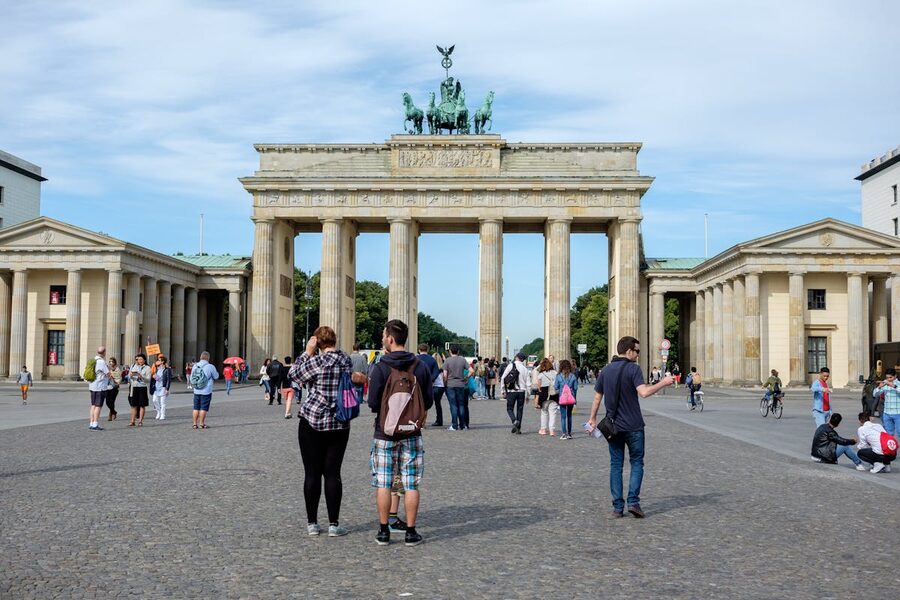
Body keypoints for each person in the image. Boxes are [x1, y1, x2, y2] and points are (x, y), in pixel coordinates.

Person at [587, 336, 674, 518]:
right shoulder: (633, 369)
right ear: (629, 351)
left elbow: (597, 398)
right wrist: (663, 383)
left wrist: (592, 419)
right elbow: (644, 393)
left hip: (613, 427)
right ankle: (633, 502)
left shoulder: (605, 371)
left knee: (616, 465)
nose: (638, 355)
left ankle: (618, 507)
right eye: (637, 351)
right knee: (636, 463)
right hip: (633, 426)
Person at [366, 319, 434, 547]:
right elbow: (429, 400)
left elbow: (373, 402)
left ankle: (384, 531)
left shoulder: (381, 366)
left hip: (385, 432)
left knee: (384, 482)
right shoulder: (420, 366)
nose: (383, 338)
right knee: (412, 484)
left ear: (390, 339)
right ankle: (411, 532)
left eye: (384, 335)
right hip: (412, 433)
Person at [288, 326, 354, 538]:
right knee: (333, 473)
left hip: (312, 421)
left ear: (317, 342)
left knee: (312, 473)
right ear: (335, 340)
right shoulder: (345, 360)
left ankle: (312, 524)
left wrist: (308, 351)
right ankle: (334, 524)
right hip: (339, 422)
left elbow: (294, 375)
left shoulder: (315, 362)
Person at [502, 352, 530, 434]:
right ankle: (518, 429)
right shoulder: (525, 369)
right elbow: (528, 383)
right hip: (521, 391)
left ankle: (514, 421)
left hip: (511, 391)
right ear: (523, 359)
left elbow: (503, 378)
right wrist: (528, 395)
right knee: (520, 410)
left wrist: (503, 390)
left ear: (516, 357)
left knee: (509, 408)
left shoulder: (510, 366)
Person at [190, 351, 219, 429]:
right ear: (208, 358)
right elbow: (216, 376)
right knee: (203, 408)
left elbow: (191, 377)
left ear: (200, 357)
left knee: (196, 407)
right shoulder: (210, 366)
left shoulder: (195, 366)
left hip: (196, 390)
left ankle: (194, 424)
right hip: (206, 390)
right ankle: (201, 423)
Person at [443, 344, 469, 431]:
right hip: (460, 384)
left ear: (450, 351)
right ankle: (463, 425)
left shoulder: (447, 361)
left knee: (453, 405)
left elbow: (445, 375)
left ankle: (454, 425)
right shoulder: (462, 360)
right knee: (461, 405)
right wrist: (466, 378)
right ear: (458, 351)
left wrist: (445, 383)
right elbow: (471, 371)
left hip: (450, 385)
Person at [416, 344, 442, 427]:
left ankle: (417, 420)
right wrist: (430, 380)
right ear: (427, 350)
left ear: (419, 350)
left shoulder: (415, 359)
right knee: (425, 404)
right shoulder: (432, 360)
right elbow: (436, 372)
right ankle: (423, 422)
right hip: (428, 384)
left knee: (417, 403)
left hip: (417, 383)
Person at [873, 368, 900, 440]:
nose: (889, 379)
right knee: (889, 434)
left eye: (890, 377)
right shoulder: (885, 385)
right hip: (887, 413)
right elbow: (875, 394)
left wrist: (894, 386)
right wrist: (879, 387)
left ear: (895, 376)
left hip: (898, 413)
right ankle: (891, 450)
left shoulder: (898, 384)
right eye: (887, 377)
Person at [88, 346, 110, 431]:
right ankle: (95, 424)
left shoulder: (93, 360)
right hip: (100, 386)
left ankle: (91, 423)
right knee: (98, 406)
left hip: (92, 385)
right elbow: (108, 373)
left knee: (93, 405)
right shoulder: (101, 362)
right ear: (104, 352)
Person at [555, 359, 578, 440]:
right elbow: (575, 388)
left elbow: (556, 387)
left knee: (563, 417)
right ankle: (569, 434)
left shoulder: (558, 376)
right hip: (571, 398)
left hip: (562, 398)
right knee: (569, 416)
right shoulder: (573, 376)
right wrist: (575, 398)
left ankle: (564, 433)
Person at [536, 357, 559, 436]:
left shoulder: (541, 375)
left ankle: (543, 429)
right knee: (553, 413)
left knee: (544, 412)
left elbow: (539, 387)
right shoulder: (555, 373)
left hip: (544, 395)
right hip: (554, 394)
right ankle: (552, 430)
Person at [128, 353, 151, 427]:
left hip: (142, 387)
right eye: (138, 359)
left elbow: (148, 380)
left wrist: (141, 377)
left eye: (141, 359)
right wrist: (131, 376)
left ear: (144, 360)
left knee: (142, 405)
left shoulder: (147, 368)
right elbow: (129, 377)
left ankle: (140, 421)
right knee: (133, 405)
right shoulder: (134, 367)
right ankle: (132, 421)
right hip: (135, 387)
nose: (139, 361)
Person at [150, 355, 172, 420]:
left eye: (159, 360)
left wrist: (167, 389)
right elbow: (153, 374)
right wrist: (154, 376)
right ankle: (158, 411)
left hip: (163, 387)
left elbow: (168, 380)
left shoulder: (167, 369)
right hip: (156, 387)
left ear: (162, 362)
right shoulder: (157, 368)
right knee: (154, 400)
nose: (157, 361)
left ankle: (163, 414)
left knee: (163, 402)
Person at [430, 352, 445, 427]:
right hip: (441, 387)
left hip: (435, 386)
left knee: (430, 403)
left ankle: (438, 420)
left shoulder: (433, 367)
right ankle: (439, 420)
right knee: (438, 404)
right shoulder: (442, 367)